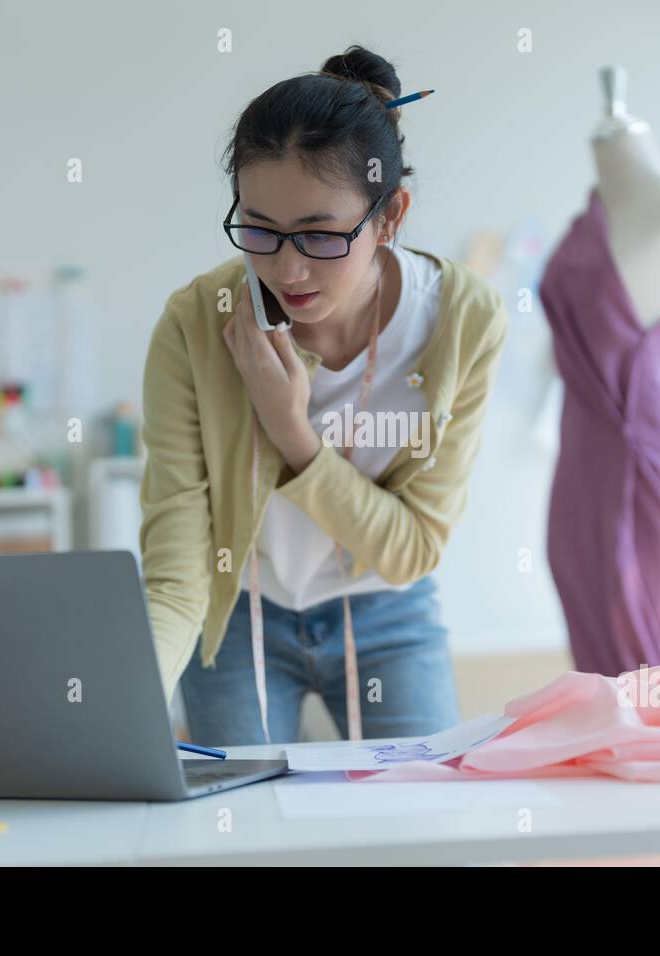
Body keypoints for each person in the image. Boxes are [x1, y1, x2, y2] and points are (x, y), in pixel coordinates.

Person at [140, 46, 508, 745]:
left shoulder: (464, 322)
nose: (286, 267)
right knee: (242, 839)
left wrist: (294, 436)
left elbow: (411, 549)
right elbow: (177, 576)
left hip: (385, 612)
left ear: (390, 215)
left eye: (318, 233)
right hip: (237, 610)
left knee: (420, 834)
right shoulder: (194, 323)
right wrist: (119, 715)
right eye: (259, 229)